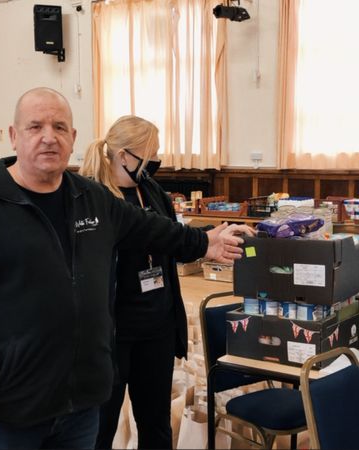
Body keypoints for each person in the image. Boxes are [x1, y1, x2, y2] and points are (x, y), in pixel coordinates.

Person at [0, 87, 251, 449]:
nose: (48, 137)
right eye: (35, 126)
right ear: (13, 136)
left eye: (59, 127)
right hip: (11, 411)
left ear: (73, 138)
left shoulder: (91, 198)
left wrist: (205, 243)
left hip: (81, 407)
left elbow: (153, 230)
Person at [80, 115, 247, 449]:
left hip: (155, 328)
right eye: (150, 154)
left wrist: (207, 242)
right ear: (123, 155)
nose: (155, 162)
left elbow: (172, 241)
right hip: (112, 334)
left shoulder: (152, 191)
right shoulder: (94, 199)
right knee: (100, 426)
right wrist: (204, 241)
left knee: (155, 423)